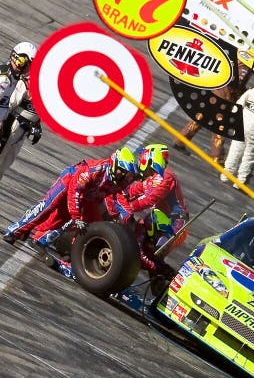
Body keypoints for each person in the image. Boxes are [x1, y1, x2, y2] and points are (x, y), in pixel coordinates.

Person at [3, 147, 137, 247]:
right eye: (121, 169)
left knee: (58, 221)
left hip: (85, 194)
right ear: (114, 163)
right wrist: (76, 216)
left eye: (125, 172)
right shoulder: (94, 170)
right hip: (69, 181)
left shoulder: (121, 181)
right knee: (47, 207)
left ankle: (34, 232)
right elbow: (75, 191)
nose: (122, 174)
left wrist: (126, 216)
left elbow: (118, 198)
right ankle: (14, 231)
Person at [107, 143, 188, 284]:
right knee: (145, 252)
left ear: (151, 159)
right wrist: (115, 194)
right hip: (165, 222)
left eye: (143, 159)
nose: (140, 163)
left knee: (137, 248)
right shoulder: (155, 178)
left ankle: (170, 276)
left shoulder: (165, 177)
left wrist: (125, 208)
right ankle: (163, 283)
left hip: (173, 225)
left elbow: (148, 200)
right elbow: (134, 191)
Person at [174, 60, 252, 163]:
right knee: (218, 126)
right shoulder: (246, 65)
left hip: (214, 91)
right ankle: (217, 157)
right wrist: (244, 92)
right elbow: (237, 82)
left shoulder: (235, 57)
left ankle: (180, 141)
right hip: (223, 99)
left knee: (200, 118)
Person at [0, 41, 40, 182]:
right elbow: (10, 104)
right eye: (26, 64)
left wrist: (36, 126)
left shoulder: (14, 77)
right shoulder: (8, 78)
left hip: (21, 131)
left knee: (5, 163)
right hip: (12, 126)